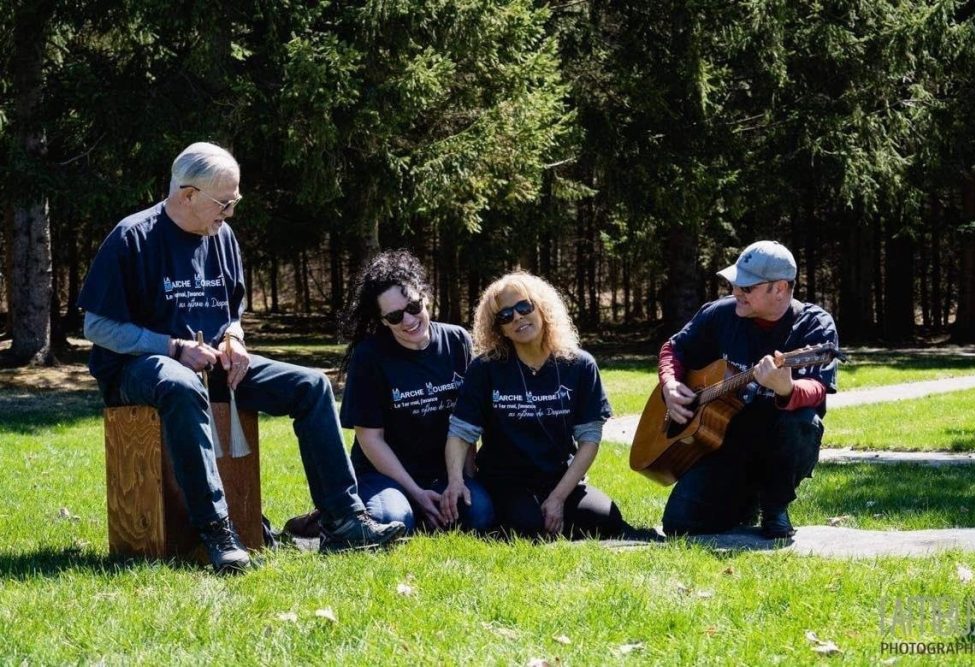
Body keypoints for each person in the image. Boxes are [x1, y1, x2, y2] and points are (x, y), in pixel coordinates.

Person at [78, 142, 404, 573]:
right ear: (188, 194)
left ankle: (345, 520)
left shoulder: (222, 237)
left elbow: (233, 311)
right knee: (178, 382)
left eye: (235, 201)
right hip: (137, 369)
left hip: (215, 364)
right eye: (224, 203)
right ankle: (217, 531)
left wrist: (235, 337)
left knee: (310, 385)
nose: (230, 213)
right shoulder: (132, 237)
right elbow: (97, 327)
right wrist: (173, 348)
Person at [284, 250, 493, 535]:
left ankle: (423, 509)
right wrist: (416, 492)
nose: (408, 321)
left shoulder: (457, 340)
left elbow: (467, 422)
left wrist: (463, 480)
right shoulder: (369, 356)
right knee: (393, 519)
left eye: (413, 306)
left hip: (443, 471)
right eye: (394, 316)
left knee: (480, 515)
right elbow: (370, 438)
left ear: (425, 297)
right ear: (383, 321)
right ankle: (330, 518)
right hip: (384, 475)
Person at [658, 240, 839, 539]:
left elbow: (818, 388)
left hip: (778, 442)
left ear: (780, 288)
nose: (736, 292)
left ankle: (775, 505)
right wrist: (670, 383)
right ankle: (745, 499)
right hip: (723, 443)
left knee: (802, 422)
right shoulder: (719, 314)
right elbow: (674, 348)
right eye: (734, 284)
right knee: (681, 524)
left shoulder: (814, 324)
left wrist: (787, 388)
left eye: (746, 287)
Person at [442, 272, 625, 539]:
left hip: (560, 479)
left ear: (542, 308)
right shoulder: (485, 368)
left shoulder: (580, 365)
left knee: (606, 519)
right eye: (505, 316)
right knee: (527, 525)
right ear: (499, 329)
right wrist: (456, 481)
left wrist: (558, 498)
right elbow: (460, 433)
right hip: (504, 481)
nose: (517, 317)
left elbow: (589, 440)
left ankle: (552, 511)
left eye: (524, 306)